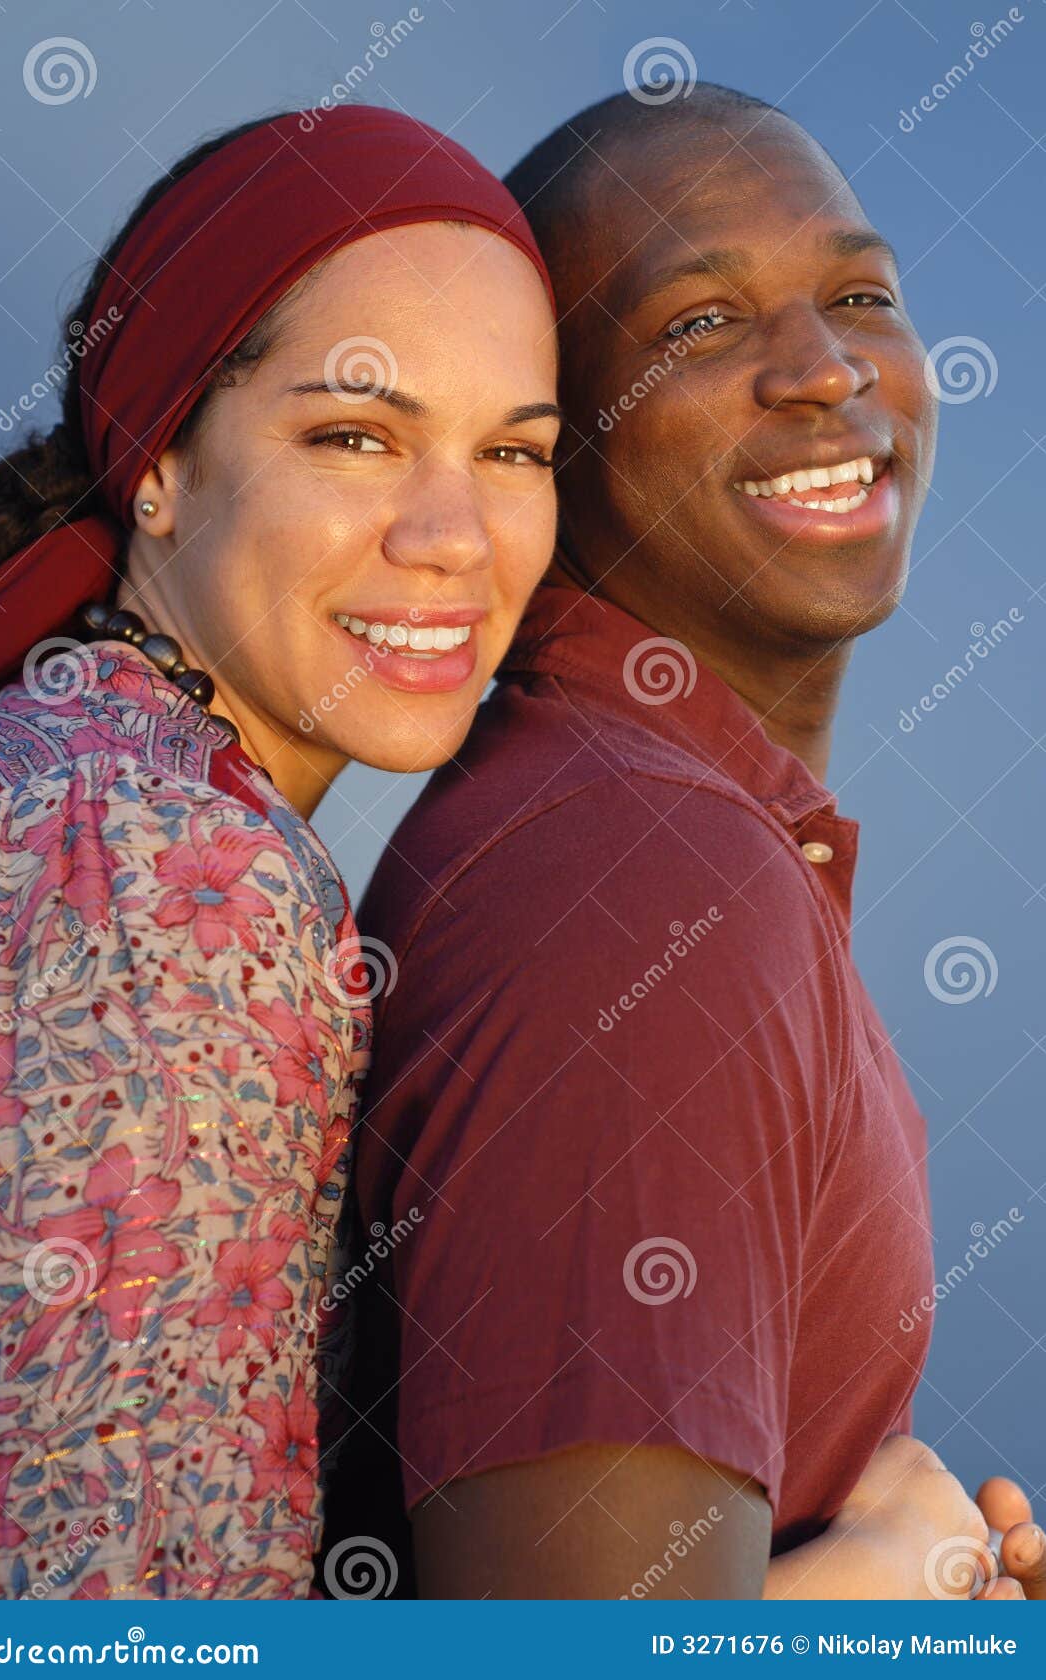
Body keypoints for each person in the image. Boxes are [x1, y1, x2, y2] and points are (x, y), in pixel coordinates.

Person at [325, 84, 1046, 1600]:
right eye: (700, 325)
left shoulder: (683, 841)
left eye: (862, 296)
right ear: (547, 447)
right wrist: (899, 1585)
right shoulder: (639, 890)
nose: (826, 368)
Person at [0, 105, 559, 1600]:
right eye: (355, 436)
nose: (455, 534)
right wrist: (852, 1606)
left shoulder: (80, 763)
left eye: (514, 451)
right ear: (159, 458)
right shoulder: (164, 874)